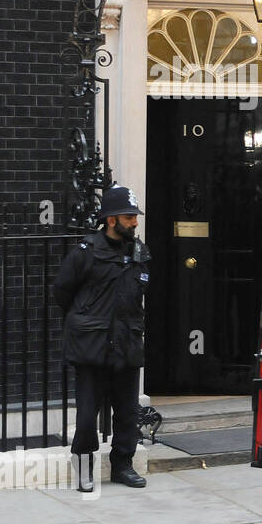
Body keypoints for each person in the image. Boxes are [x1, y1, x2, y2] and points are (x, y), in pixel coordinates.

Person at [52, 184, 150, 492]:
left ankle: (123, 465)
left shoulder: (140, 253)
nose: (135, 222)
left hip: (127, 342)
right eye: (129, 216)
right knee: (86, 417)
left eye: (135, 216)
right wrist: (87, 321)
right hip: (92, 346)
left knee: (127, 412)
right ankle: (83, 467)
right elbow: (62, 292)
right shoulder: (86, 252)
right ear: (111, 219)